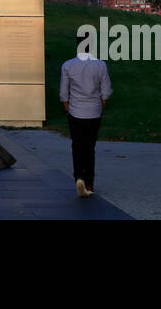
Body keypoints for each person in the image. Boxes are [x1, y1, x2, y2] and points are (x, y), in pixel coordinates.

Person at [59, 31, 112, 198]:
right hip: (94, 112)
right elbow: (106, 92)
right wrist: (101, 105)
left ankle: (79, 176)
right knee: (90, 147)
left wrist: (68, 109)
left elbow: (63, 93)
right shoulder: (100, 65)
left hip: (75, 111)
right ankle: (89, 183)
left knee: (77, 145)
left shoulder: (68, 65)